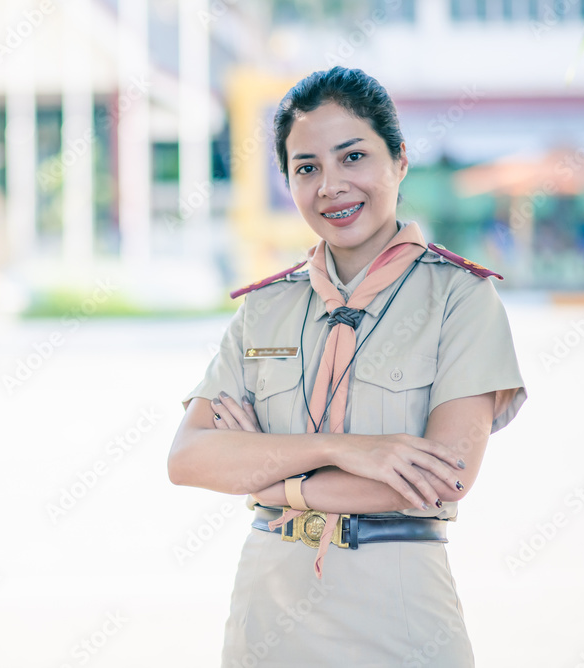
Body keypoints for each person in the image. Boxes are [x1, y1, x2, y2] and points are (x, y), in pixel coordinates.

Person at [167, 67, 527, 667]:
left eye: (352, 156)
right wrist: (352, 449)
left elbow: (444, 478)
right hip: (266, 614)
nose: (330, 186)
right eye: (306, 167)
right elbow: (189, 459)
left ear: (399, 161)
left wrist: (266, 477)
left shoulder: (460, 299)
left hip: (401, 613)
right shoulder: (265, 308)